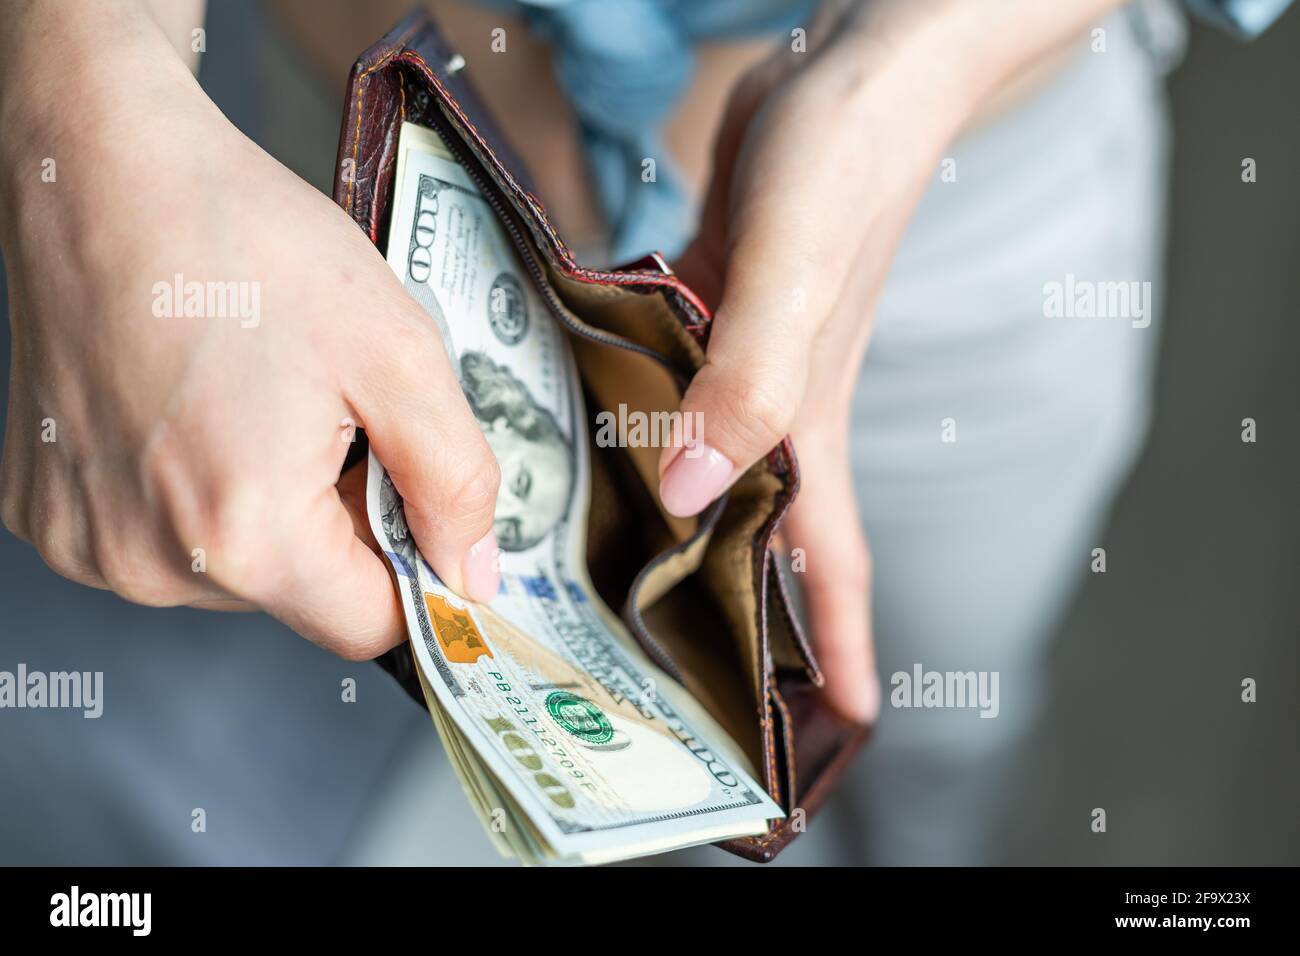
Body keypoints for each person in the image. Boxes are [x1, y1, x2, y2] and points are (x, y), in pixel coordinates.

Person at [0, 0, 1289, 865]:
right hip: (345, 198)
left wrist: (897, 88)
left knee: (943, 705)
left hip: (961, 206)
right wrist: (82, 91)